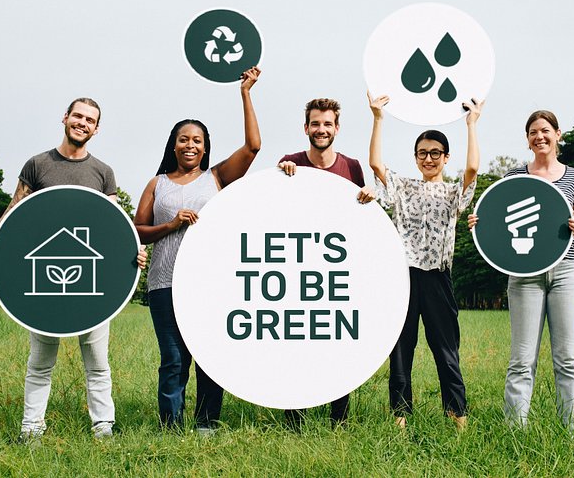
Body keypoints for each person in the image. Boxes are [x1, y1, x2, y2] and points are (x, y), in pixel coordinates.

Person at [0, 97, 148, 442]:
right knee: (40, 363)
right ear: (65, 118)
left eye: (90, 120)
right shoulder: (38, 165)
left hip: (91, 284)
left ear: (96, 128)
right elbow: (14, 211)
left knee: (98, 364)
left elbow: (112, 228)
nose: (82, 123)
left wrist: (134, 252)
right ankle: (31, 431)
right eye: (78, 116)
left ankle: (103, 428)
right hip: (44, 282)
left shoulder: (103, 172)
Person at [134, 66, 262, 434]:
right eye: (183, 139)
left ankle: (207, 425)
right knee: (173, 359)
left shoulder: (217, 178)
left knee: (209, 357)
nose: (190, 145)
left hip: (210, 284)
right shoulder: (156, 184)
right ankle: (170, 428)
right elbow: (138, 231)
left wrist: (245, 93)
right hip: (163, 285)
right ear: (173, 145)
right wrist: (170, 225)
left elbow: (253, 147)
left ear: (206, 147)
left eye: (197, 140)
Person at [470, 110, 574, 433]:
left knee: (568, 358)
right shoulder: (515, 176)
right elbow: (496, 218)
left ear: (557, 134)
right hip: (524, 274)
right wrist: (479, 224)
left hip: (567, 270)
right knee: (521, 360)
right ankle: (516, 431)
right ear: (527, 140)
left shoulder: (573, 177)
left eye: (545, 130)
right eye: (533, 132)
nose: (539, 136)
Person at [369, 92, 483, 430]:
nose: (429, 158)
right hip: (404, 278)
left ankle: (457, 416)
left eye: (435, 153)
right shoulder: (403, 187)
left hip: (438, 278)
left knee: (446, 351)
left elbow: (474, 167)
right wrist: (378, 118)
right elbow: (376, 164)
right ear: (416, 158)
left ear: (446, 158)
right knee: (401, 353)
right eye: (423, 153)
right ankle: (400, 419)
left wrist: (471, 124)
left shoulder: (453, 194)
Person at [277, 97, 374, 428]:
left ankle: (340, 416)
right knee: (297, 342)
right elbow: (270, 206)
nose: (321, 129)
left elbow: (365, 217)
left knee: (336, 341)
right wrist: (282, 175)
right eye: (315, 123)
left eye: (327, 124)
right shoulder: (290, 162)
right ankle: (294, 416)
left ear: (337, 128)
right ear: (306, 128)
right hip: (298, 267)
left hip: (337, 268)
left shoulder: (353, 167)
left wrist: (370, 196)